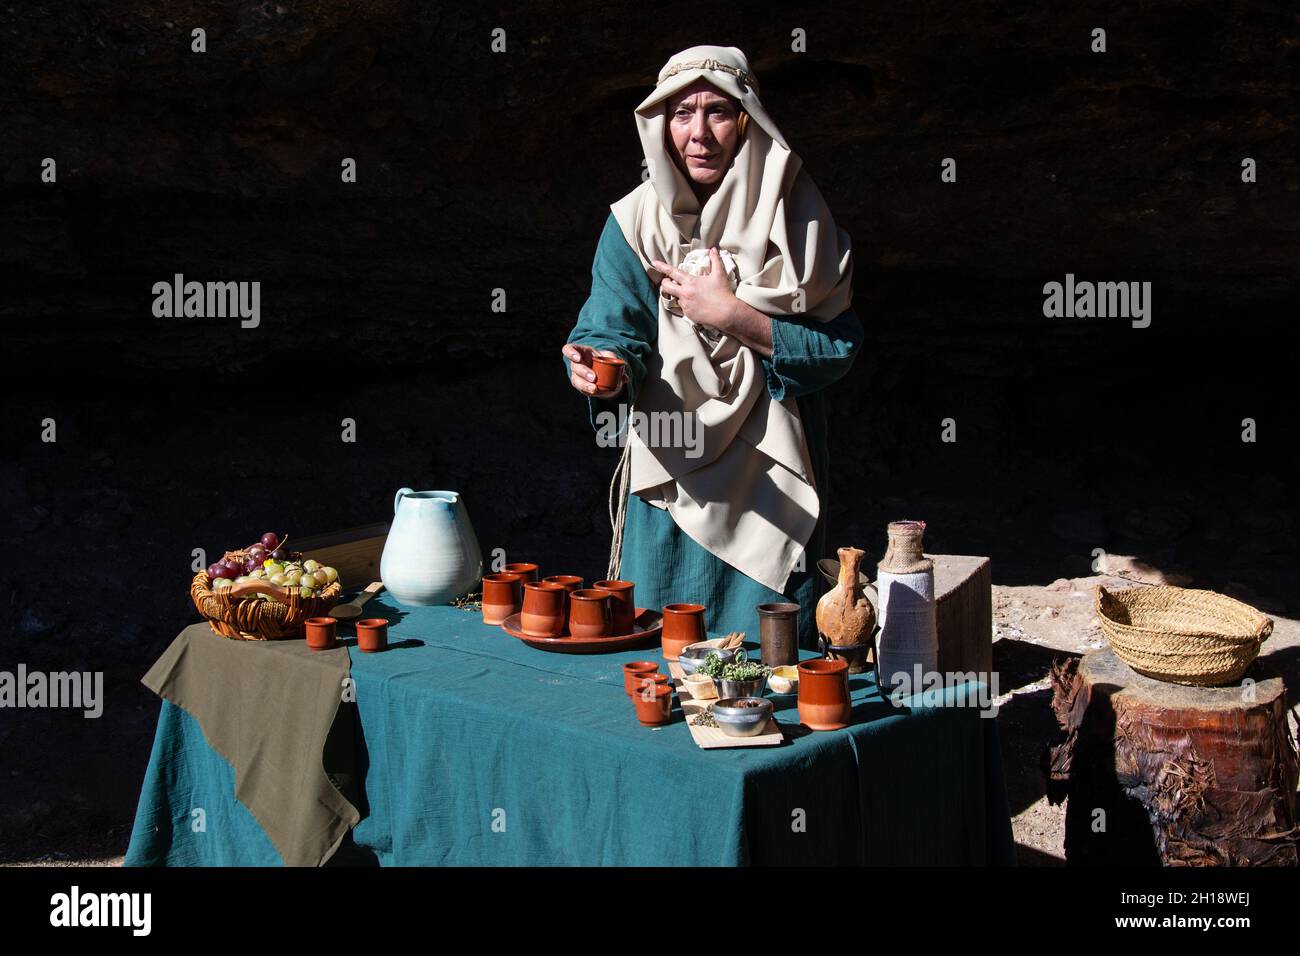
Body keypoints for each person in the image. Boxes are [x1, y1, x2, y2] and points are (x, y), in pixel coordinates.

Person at [562, 45, 862, 648]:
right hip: (675, 457)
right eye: (681, 113)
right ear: (660, 124)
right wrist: (603, 369)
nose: (699, 134)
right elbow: (611, 325)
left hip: (773, 467)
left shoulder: (798, 215)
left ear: (748, 119)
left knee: (771, 661)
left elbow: (836, 349)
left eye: (719, 112)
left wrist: (729, 314)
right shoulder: (634, 222)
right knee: (666, 641)